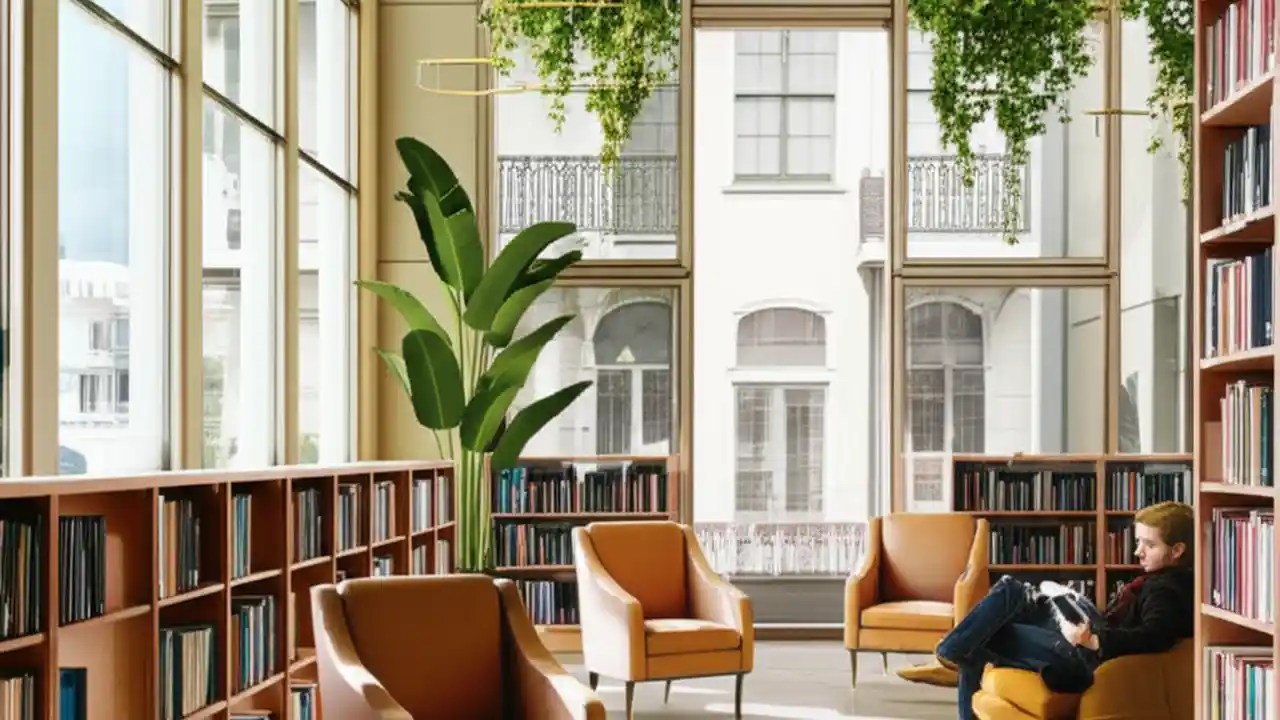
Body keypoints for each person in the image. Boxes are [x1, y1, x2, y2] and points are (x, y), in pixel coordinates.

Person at [908, 500, 1196, 720]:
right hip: (1086, 641)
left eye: (1149, 544)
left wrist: (1094, 640)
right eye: (1138, 542)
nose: (1138, 552)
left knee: (1003, 606)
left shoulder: (1166, 589)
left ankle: (951, 652)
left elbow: (1155, 635)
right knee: (1020, 597)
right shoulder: (1162, 580)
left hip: (1083, 658)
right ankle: (955, 651)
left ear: (1178, 550)